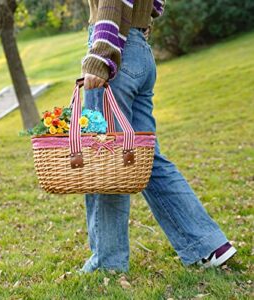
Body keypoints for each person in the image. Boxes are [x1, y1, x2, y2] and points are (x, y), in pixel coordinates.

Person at [79, 0, 237, 273]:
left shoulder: (106, 51)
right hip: (139, 50)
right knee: (145, 158)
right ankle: (208, 244)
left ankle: (108, 264)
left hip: (115, 49)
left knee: (106, 162)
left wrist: (99, 56)